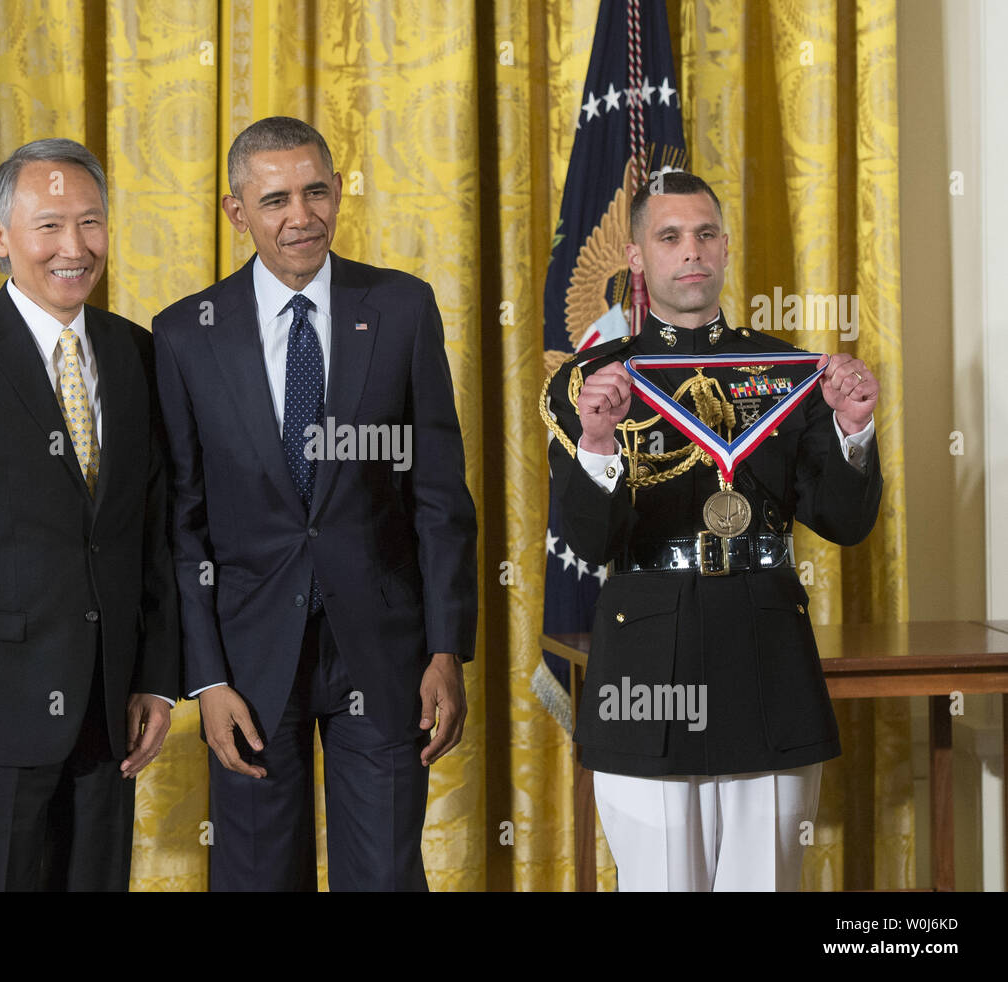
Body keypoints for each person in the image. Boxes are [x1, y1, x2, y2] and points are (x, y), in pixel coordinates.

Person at [153, 116, 477, 891]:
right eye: (275, 201)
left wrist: (446, 649)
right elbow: (182, 523)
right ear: (237, 212)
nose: (301, 217)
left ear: (336, 191)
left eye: (316, 192)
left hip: (386, 650)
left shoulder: (401, 309)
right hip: (249, 664)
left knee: (387, 877)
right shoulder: (184, 334)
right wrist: (206, 680)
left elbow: (437, 495)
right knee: (260, 876)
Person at [543, 171, 882, 891]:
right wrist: (597, 443)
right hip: (645, 666)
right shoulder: (597, 384)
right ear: (637, 258)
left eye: (704, 235)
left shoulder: (788, 372)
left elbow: (846, 523)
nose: (689, 251)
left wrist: (854, 431)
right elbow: (588, 544)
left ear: (725, 248)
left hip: (766, 653)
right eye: (668, 237)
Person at [0, 138, 179, 891]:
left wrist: (156, 677)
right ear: (3, 238)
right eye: (49, 225)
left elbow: (154, 534)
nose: (74, 247)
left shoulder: (139, 354)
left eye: (91, 222)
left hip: (110, 717)